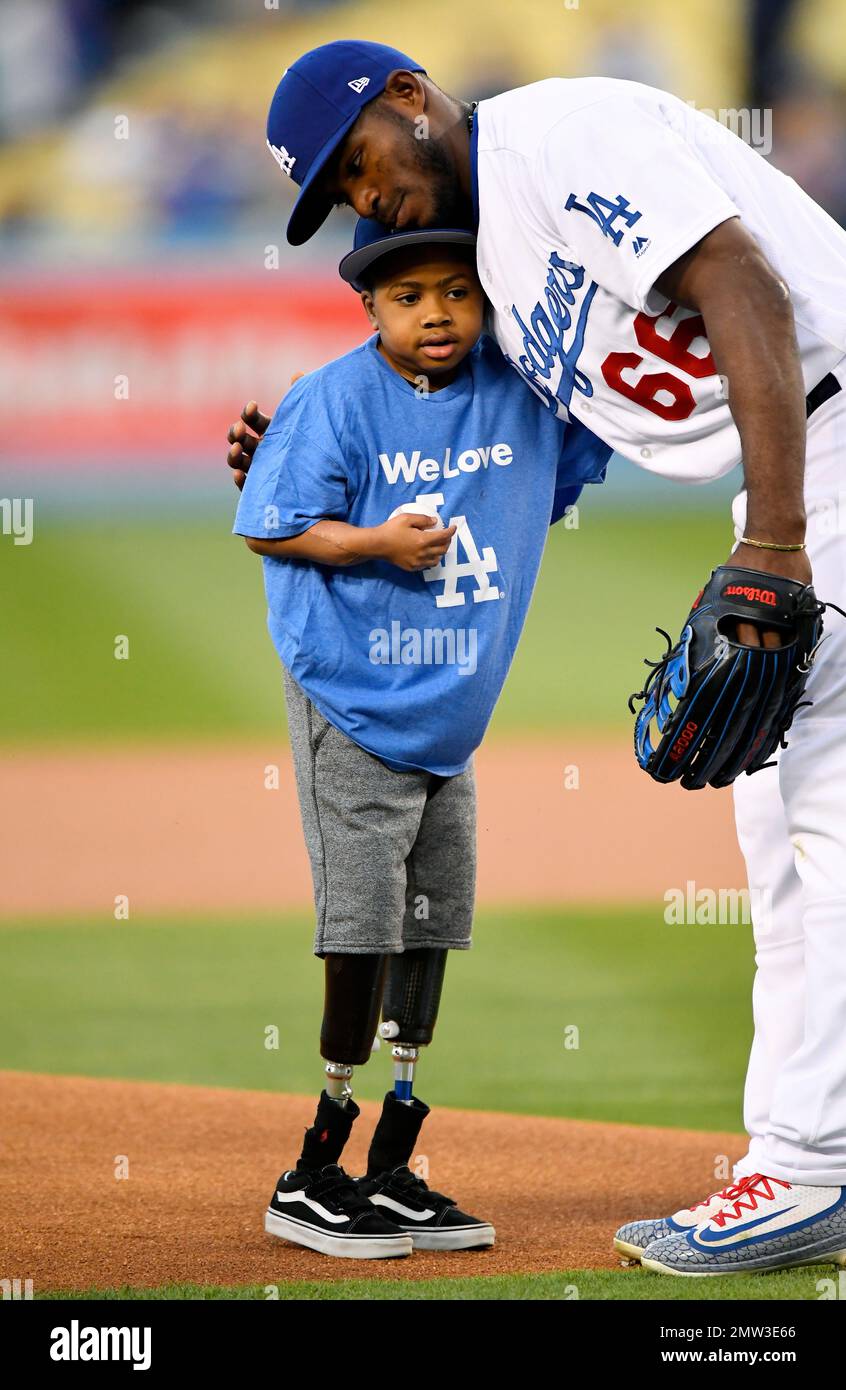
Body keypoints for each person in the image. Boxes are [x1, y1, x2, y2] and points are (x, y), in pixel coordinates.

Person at [231, 38, 846, 1277]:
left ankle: (807, 1166)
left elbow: (744, 287)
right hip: (801, 469)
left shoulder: (557, 143)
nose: (369, 199)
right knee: (775, 838)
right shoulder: (497, 272)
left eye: (360, 165)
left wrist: (777, 536)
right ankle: (804, 1162)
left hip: (830, 444)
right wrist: (310, 471)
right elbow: (472, 444)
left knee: (826, 818)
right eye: (343, 199)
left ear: (409, 97)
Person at [232, 214, 609, 1259]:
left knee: (434, 918)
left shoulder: (517, 390)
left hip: (449, 716)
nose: (435, 312)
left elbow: (578, 454)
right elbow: (267, 519)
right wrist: (371, 542)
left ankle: (393, 1156)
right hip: (354, 697)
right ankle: (314, 1164)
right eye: (408, 296)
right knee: (361, 922)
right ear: (368, 307)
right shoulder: (332, 395)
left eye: (456, 289)